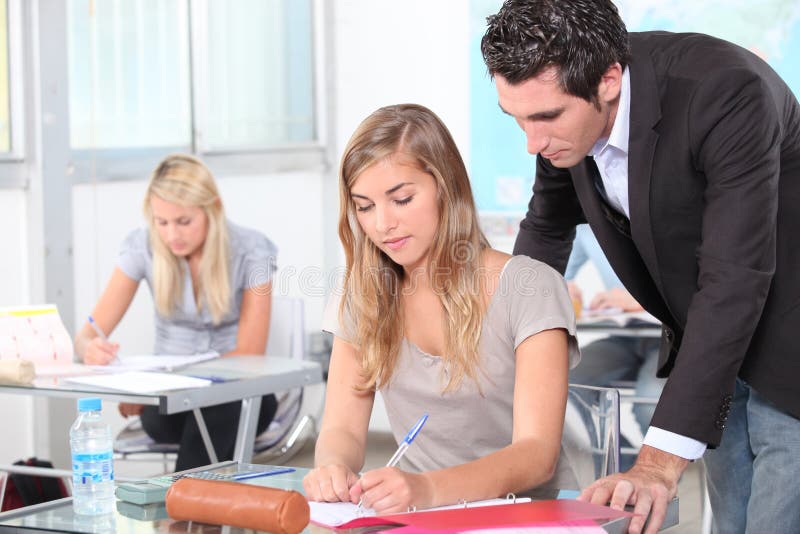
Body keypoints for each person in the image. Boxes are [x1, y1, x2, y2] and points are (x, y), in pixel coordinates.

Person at [481, 1, 800, 532]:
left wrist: (656, 462)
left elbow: (735, 277)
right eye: (516, 118)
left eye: (545, 118)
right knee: (732, 523)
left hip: (790, 337)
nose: (532, 143)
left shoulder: (724, 92)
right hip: (711, 343)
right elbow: (547, 230)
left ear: (609, 80)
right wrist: (498, 356)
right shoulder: (565, 121)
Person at [302, 103, 580, 513]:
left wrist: (429, 489)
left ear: (445, 188)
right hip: (419, 514)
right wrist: (332, 466)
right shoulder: (361, 293)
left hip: (526, 514)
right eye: (364, 206)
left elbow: (537, 454)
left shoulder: (529, 286)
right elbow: (343, 427)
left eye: (401, 199)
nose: (383, 224)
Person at [74, 153, 279, 471]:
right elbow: (87, 334)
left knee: (219, 407)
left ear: (214, 208)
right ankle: (192, 514)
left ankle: (181, 513)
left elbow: (250, 355)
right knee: (204, 422)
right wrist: (90, 349)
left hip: (241, 396)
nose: (172, 235)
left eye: (184, 222)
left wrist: (161, 381)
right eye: (162, 222)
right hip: (169, 402)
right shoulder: (141, 246)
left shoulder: (253, 250)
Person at [566, 225, 664, 467]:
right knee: (563, 389)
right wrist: (562, 288)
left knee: (652, 405)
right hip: (623, 334)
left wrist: (644, 299)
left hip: (671, 339)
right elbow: (557, 272)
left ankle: (655, 477)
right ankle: (625, 470)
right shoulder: (585, 223)